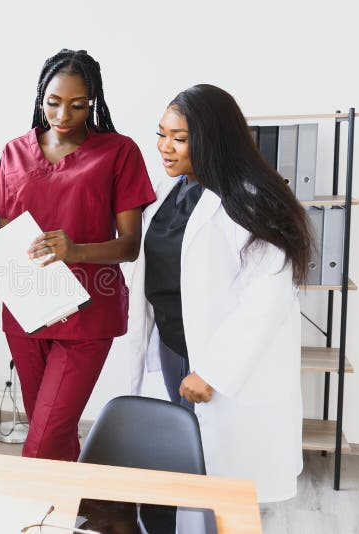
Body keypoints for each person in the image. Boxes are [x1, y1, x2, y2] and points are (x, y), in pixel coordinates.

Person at [122, 83, 309, 501]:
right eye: (161, 133)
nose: (164, 147)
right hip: (174, 347)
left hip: (216, 362)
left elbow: (267, 297)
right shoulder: (175, 190)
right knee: (188, 468)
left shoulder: (250, 199)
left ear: (211, 140)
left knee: (223, 483)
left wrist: (214, 371)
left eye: (180, 138)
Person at [0, 49, 156, 461]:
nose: (63, 114)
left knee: (40, 442)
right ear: (41, 96)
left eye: (78, 106)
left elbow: (130, 245)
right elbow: (4, 235)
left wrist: (74, 249)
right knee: (54, 431)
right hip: (27, 311)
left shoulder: (120, 152)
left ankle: (36, 517)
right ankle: (63, 514)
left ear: (93, 102)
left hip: (88, 313)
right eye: (54, 102)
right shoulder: (14, 152)